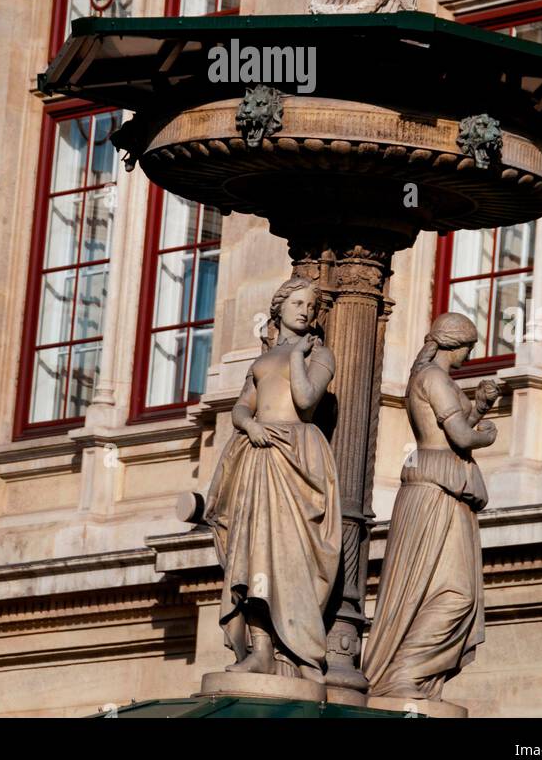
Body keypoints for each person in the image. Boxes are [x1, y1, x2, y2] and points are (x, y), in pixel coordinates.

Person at [204, 277, 341, 681]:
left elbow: (305, 400)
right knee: (252, 552)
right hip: (257, 456)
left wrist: (299, 356)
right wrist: (249, 426)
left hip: (296, 455)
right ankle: (261, 649)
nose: (304, 310)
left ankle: (297, 645)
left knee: (290, 553)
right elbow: (241, 408)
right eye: (297, 302)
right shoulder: (261, 362)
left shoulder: (321, 354)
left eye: (310, 306)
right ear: (278, 308)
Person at [363, 311, 501, 701]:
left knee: (449, 591)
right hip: (437, 486)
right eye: (469, 348)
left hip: (446, 484)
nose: (469, 357)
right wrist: (486, 434)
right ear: (453, 343)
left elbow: (458, 425)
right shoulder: (434, 379)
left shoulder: (438, 380)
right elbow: (459, 435)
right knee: (453, 593)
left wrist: (480, 408)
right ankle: (404, 672)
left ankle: (412, 673)